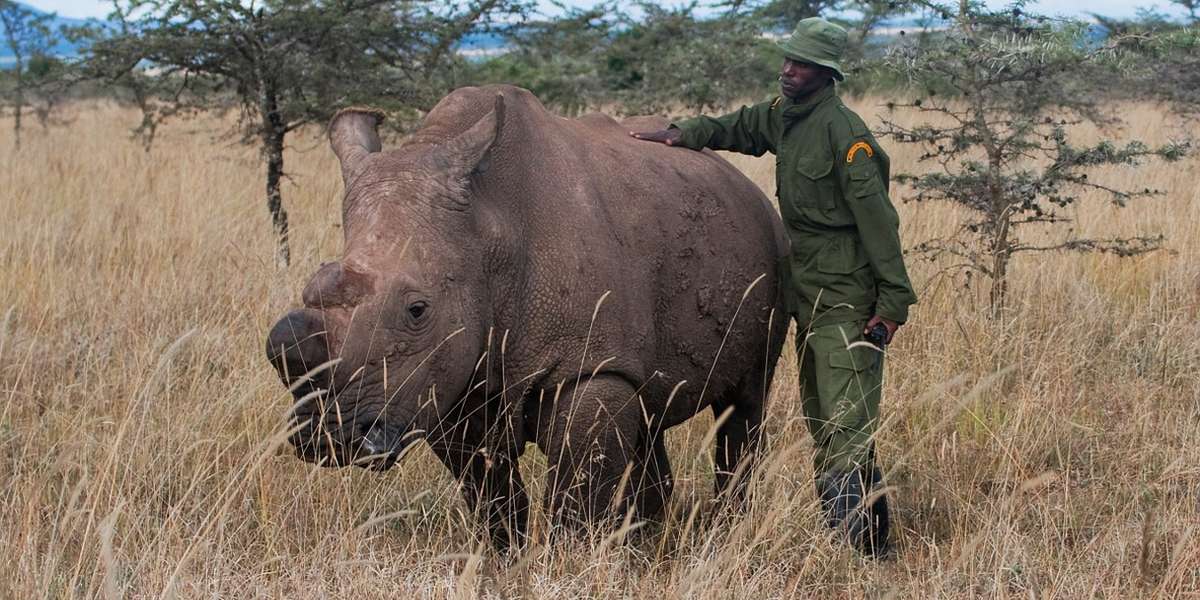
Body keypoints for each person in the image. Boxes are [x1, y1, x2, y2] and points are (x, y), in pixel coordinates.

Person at [630, 17, 917, 557]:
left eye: (802, 64)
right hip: (802, 285)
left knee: (843, 416)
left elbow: (881, 225)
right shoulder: (786, 117)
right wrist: (680, 133)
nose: (789, 70)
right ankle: (870, 540)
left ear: (826, 74)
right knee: (823, 410)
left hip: (845, 290)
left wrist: (892, 301)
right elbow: (737, 127)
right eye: (787, 59)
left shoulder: (846, 135)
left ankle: (861, 551)